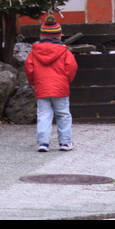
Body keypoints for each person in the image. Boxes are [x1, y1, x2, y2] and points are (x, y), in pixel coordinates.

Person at [24, 14, 78, 153]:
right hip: (60, 88)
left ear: (42, 35)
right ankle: (65, 142)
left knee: (43, 115)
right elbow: (71, 68)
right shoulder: (65, 52)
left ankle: (43, 143)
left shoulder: (34, 52)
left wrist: (34, 82)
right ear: (59, 35)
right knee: (63, 114)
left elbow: (29, 69)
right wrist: (66, 81)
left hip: (42, 88)